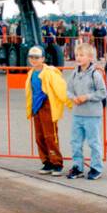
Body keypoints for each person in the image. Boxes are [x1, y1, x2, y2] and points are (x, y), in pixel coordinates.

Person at [65, 42, 107, 180]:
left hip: (92, 115)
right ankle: (78, 167)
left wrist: (87, 97)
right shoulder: (74, 73)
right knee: (75, 142)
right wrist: (73, 98)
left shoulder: (95, 74)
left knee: (93, 142)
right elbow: (68, 90)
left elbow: (102, 92)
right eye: (77, 55)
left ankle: (96, 167)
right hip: (78, 114)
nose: (78, 57)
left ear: (90, 57)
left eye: (81, 55)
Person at [25, 45, 69, 175]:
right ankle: (47, 162)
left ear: (43, 58)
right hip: (36, 107)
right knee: (39, 136)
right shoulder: (31, 73)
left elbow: (60, 88)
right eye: (31, 57)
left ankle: (57, 162)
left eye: (37, 57)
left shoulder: (50, 72)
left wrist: (69, 102)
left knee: (50, 136)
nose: (33, 60)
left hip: (47, 106)